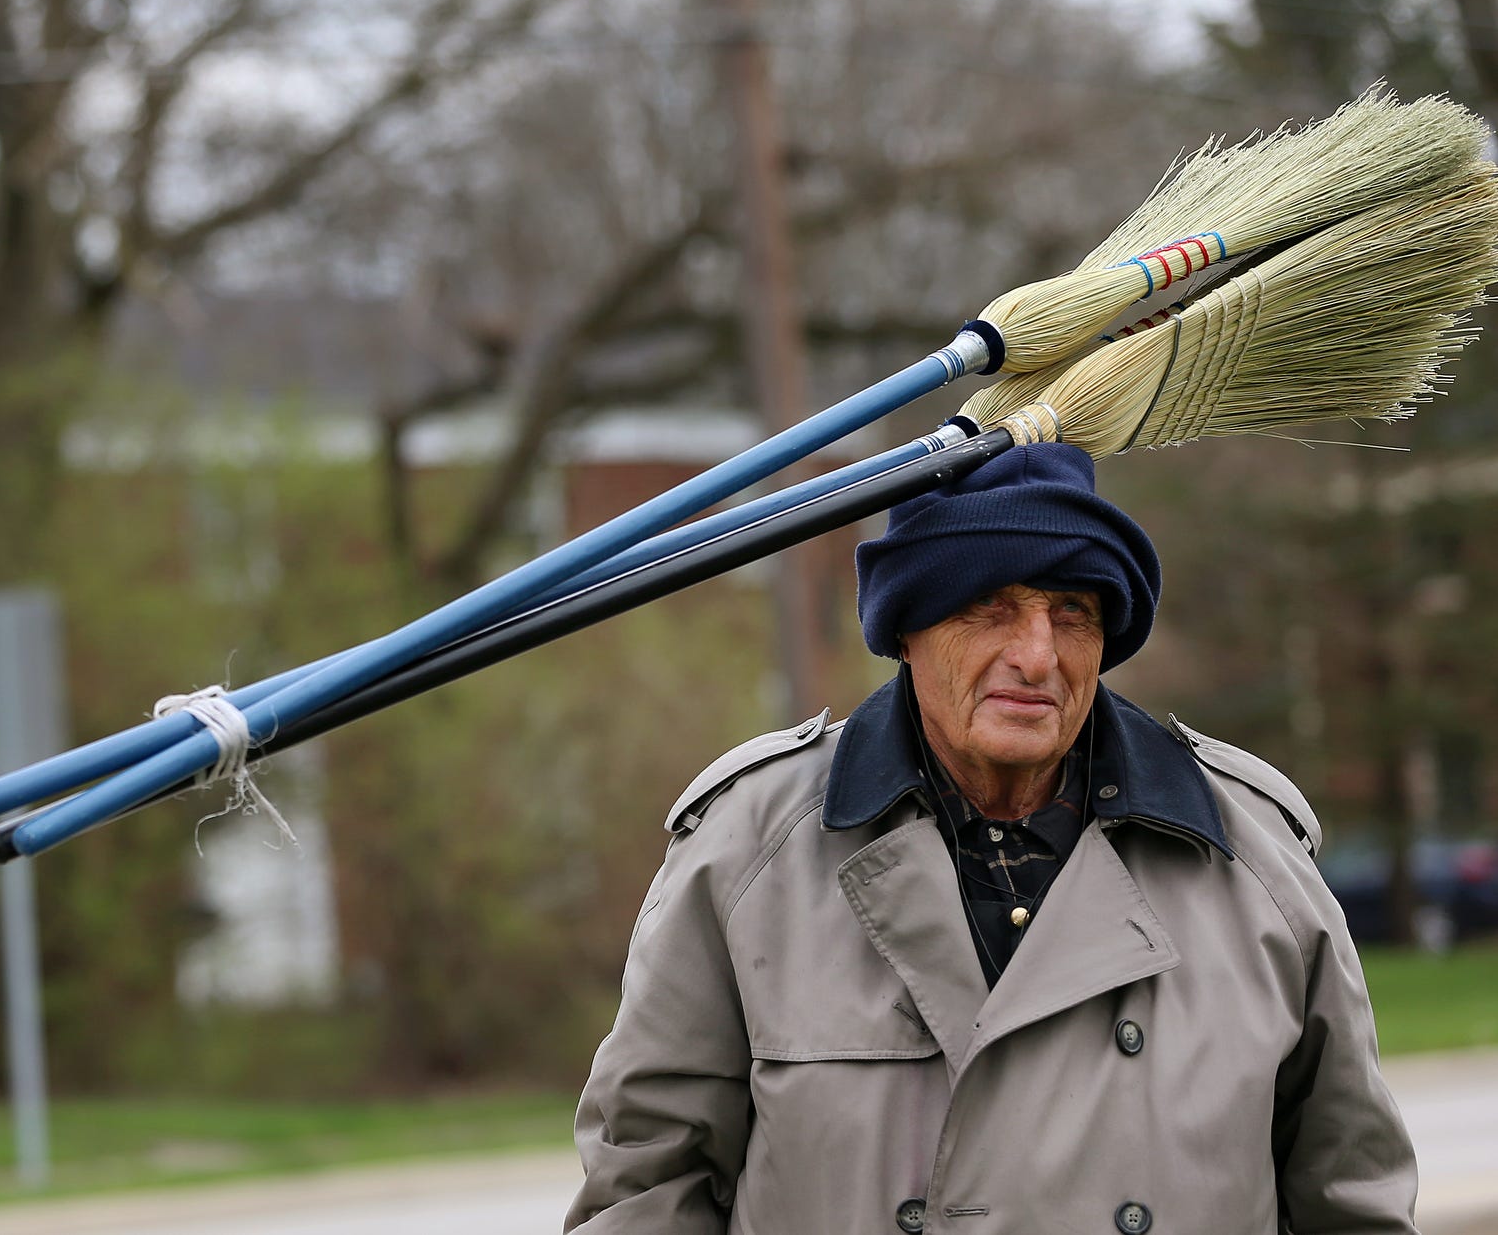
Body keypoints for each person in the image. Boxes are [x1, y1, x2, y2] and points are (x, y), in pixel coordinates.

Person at [567, 443, 1416, 1234]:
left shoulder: (1253, 856)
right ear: (908, 627)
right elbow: (646, 1187)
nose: (1036, 656)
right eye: (989, 606)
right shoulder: (746, 852)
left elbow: (1351, 1198)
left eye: (1071, 611)